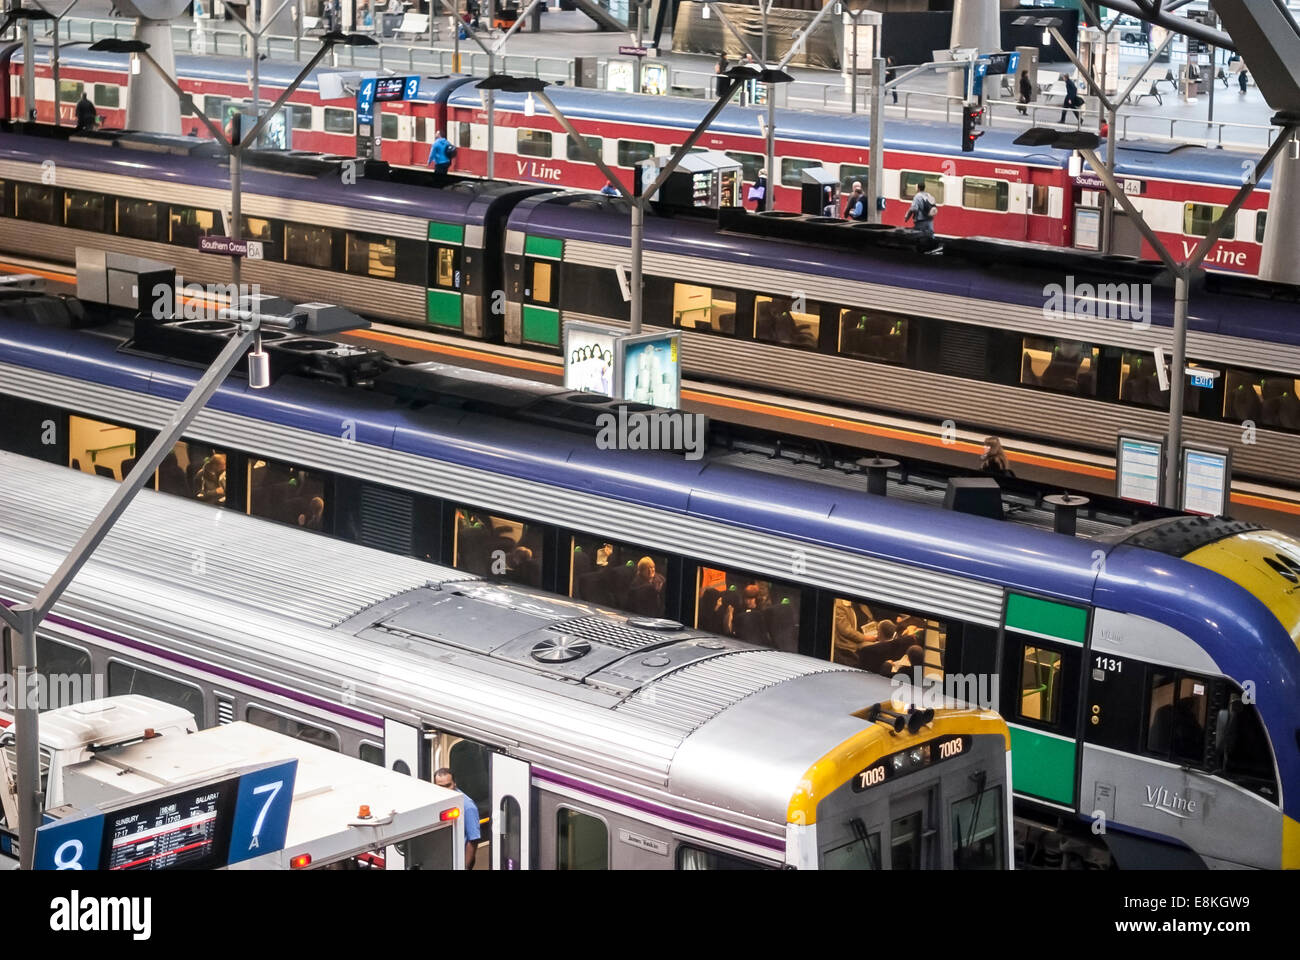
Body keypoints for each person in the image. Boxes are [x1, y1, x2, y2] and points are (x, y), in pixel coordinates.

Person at [434, 768, 481, 869]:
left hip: (458, 859)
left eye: (448, 785)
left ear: (454, 783)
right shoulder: (435, 799)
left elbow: (473, 840)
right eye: (441, 786)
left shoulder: (468, 806)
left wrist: (464, 866)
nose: (445, 790)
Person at [833, 596, 875, 664]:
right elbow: (846, 630)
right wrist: (864, 638)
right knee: (874, 650)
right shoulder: (840, 604)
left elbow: (870, 619)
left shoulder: (860, 604)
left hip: (865, 636)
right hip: (848, 644)